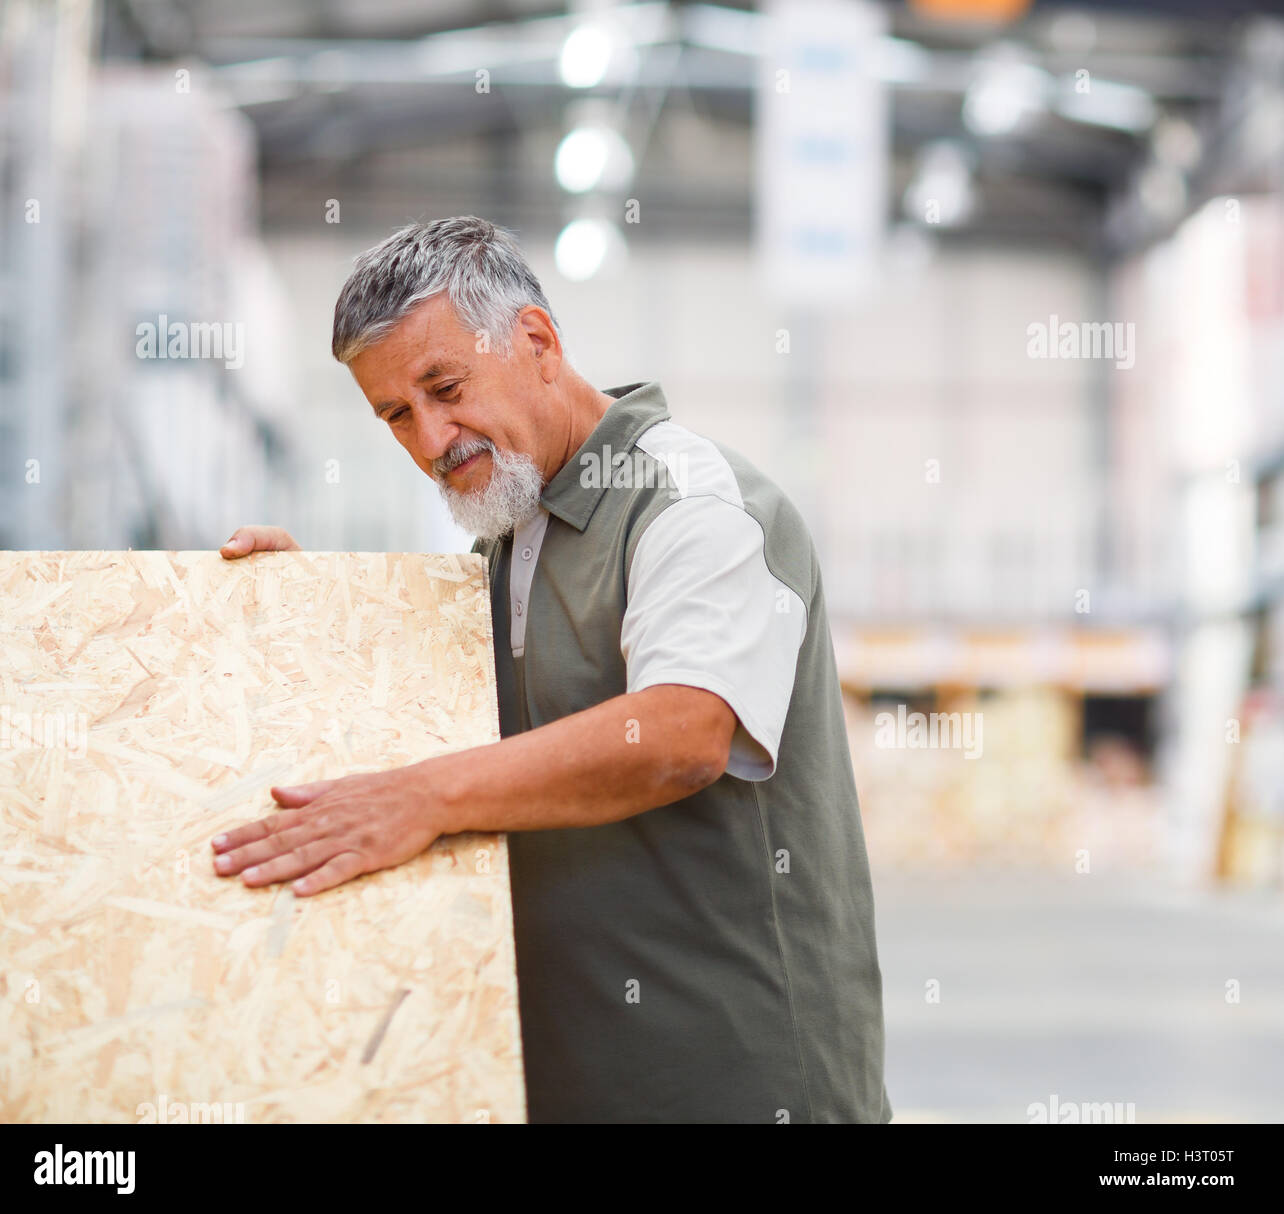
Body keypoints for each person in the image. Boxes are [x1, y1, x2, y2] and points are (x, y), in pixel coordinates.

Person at [213, 215, 891, 1124]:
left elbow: (682, 734)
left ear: (535, 340)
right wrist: (316, 614)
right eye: (396, 415)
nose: (429, 437)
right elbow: (455, 719)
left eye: (444, 386)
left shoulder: (691, 506)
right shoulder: (512, 535)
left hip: (737, 1082)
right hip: (571, 1083)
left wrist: (423, 797)